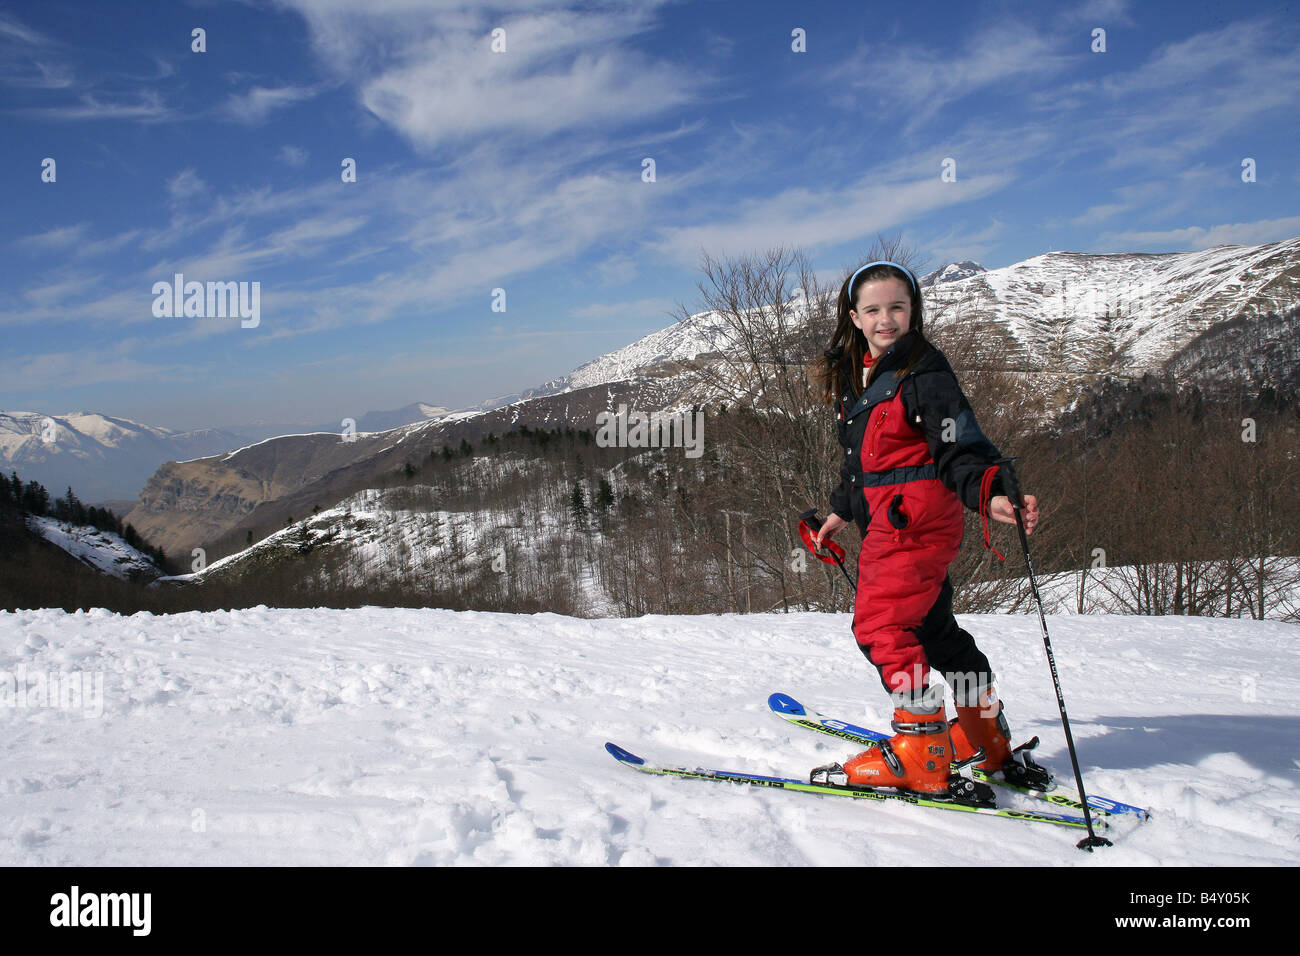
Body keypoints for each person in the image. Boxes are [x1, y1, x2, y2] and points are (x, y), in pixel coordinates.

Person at [809, 260, 1051, 799]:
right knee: (933, 632)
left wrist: (990, 493)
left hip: (910, 528)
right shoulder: (863, 372)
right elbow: (864, 464)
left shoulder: (924, 374)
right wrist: (840, 511)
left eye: (897, 307)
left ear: (914, 311)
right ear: (854, 316)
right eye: (873, 309)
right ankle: (985, 736)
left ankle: (923, 751)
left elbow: (959, 447)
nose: (886, 318)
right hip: (895, 522)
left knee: (883, 632)